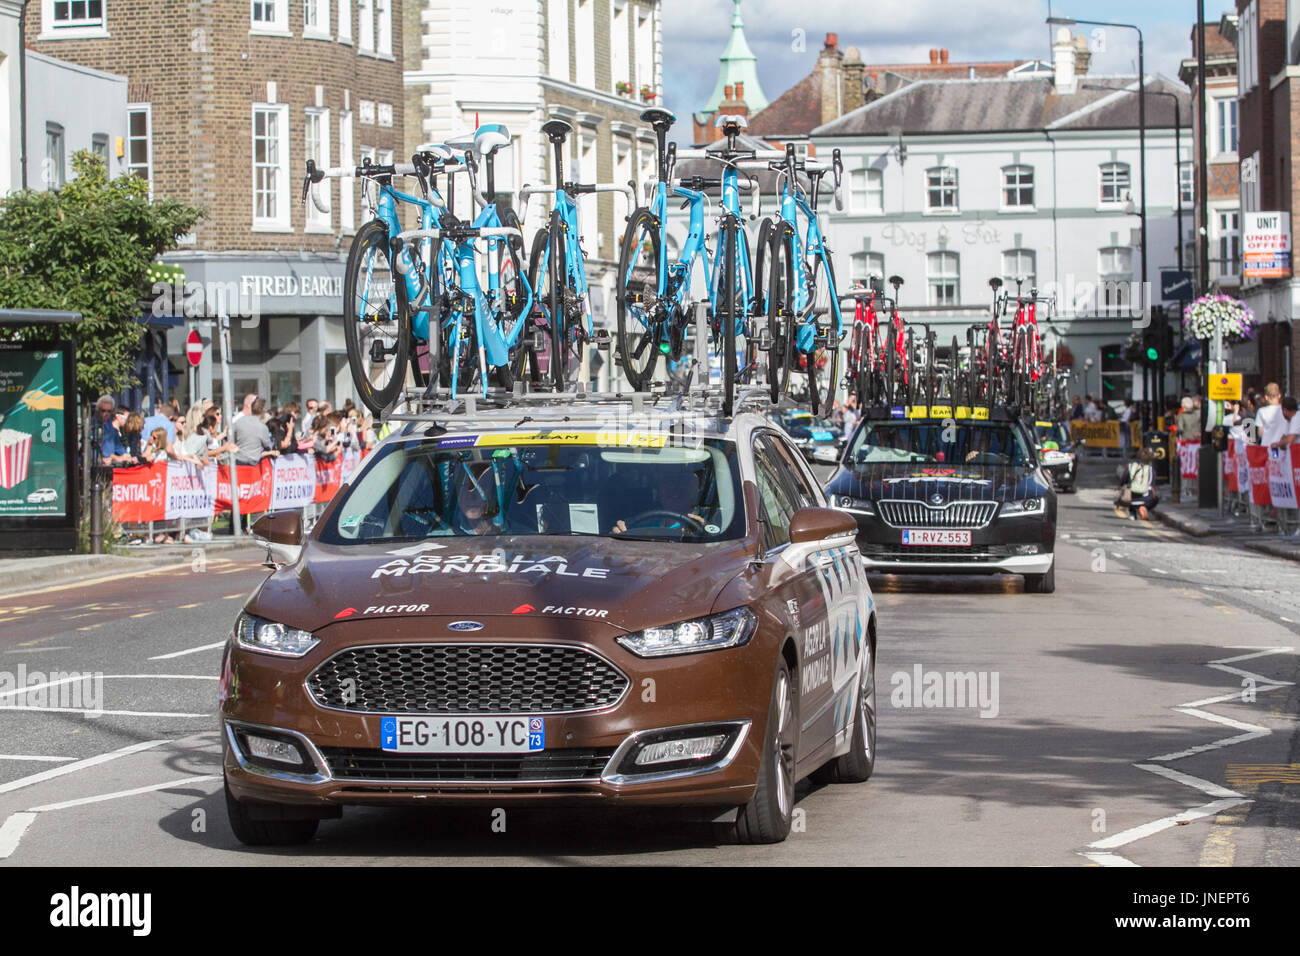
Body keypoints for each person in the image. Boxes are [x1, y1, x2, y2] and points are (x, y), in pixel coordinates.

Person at [230, 397, 278, 465]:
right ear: (263, 411)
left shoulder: (239, 421)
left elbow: (231, 438)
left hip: (238, 461)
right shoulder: (262, 427)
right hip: (253, 464)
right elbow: (268, 446)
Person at [1115, 447, 1159, 520]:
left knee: (1129, 491)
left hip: (1130, 499)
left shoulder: (1130, 466)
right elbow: (1152, 484)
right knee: (1156, 498)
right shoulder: (1151, 470)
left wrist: (1121, 486)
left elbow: (1123, 480)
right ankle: (1144, 507)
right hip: (1146, 498)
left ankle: (1132, 514)